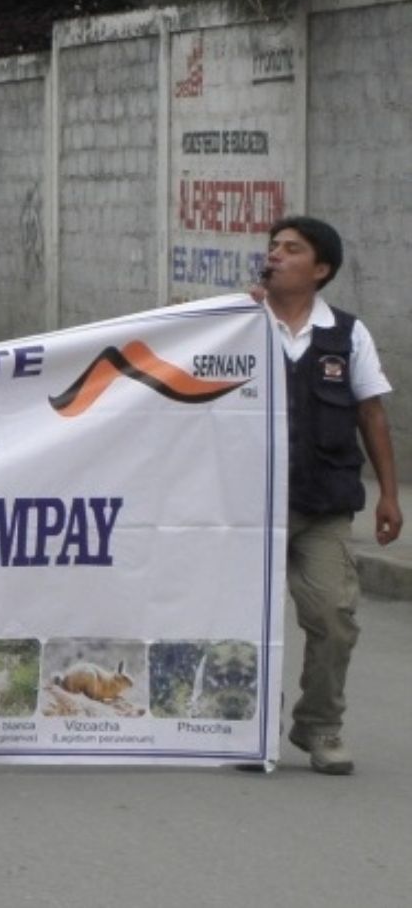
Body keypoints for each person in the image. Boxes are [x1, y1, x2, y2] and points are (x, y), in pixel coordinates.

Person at [259, 216, 400, 775]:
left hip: (324, 506)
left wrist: (389, 495)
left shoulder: (347, 334)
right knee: (248, 622)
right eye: (272, 247)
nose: (275, 256)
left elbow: (372, 412)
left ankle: (320, 726)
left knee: (334, 618)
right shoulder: (237, 322)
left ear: (320, 271)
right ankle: (248, 730)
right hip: (251, 508)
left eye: (291, 250)